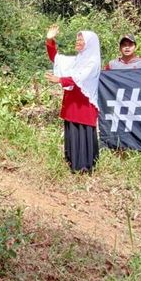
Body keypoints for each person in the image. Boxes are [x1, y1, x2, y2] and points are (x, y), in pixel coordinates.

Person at [44, 25, 101, 173]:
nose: (77, 41)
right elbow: (56, 58)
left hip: (84, 104)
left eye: (81, 39)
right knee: (73, 130)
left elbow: (79, 78)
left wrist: (59, 80)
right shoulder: (76, 60)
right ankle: (72, 162)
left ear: (89, 43)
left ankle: (84, 165)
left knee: (83, 131)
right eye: (77, 39)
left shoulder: (92, 62)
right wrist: (50, 40)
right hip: (72, 102)